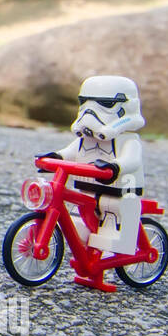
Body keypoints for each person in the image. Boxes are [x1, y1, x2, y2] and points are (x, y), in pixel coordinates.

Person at [40, 75, 145, 255]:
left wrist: (115, 167)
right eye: (85, 103)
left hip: (118, 191)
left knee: (112, 221)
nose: (90, 112)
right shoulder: (85, 139)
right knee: (77, 218)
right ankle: (88, 248)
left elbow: (131, 160)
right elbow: (70, 152)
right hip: (87, 188)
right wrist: (56, 157)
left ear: (126, 107)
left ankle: (111, 251)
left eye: (104, 104)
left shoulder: (128, 140)